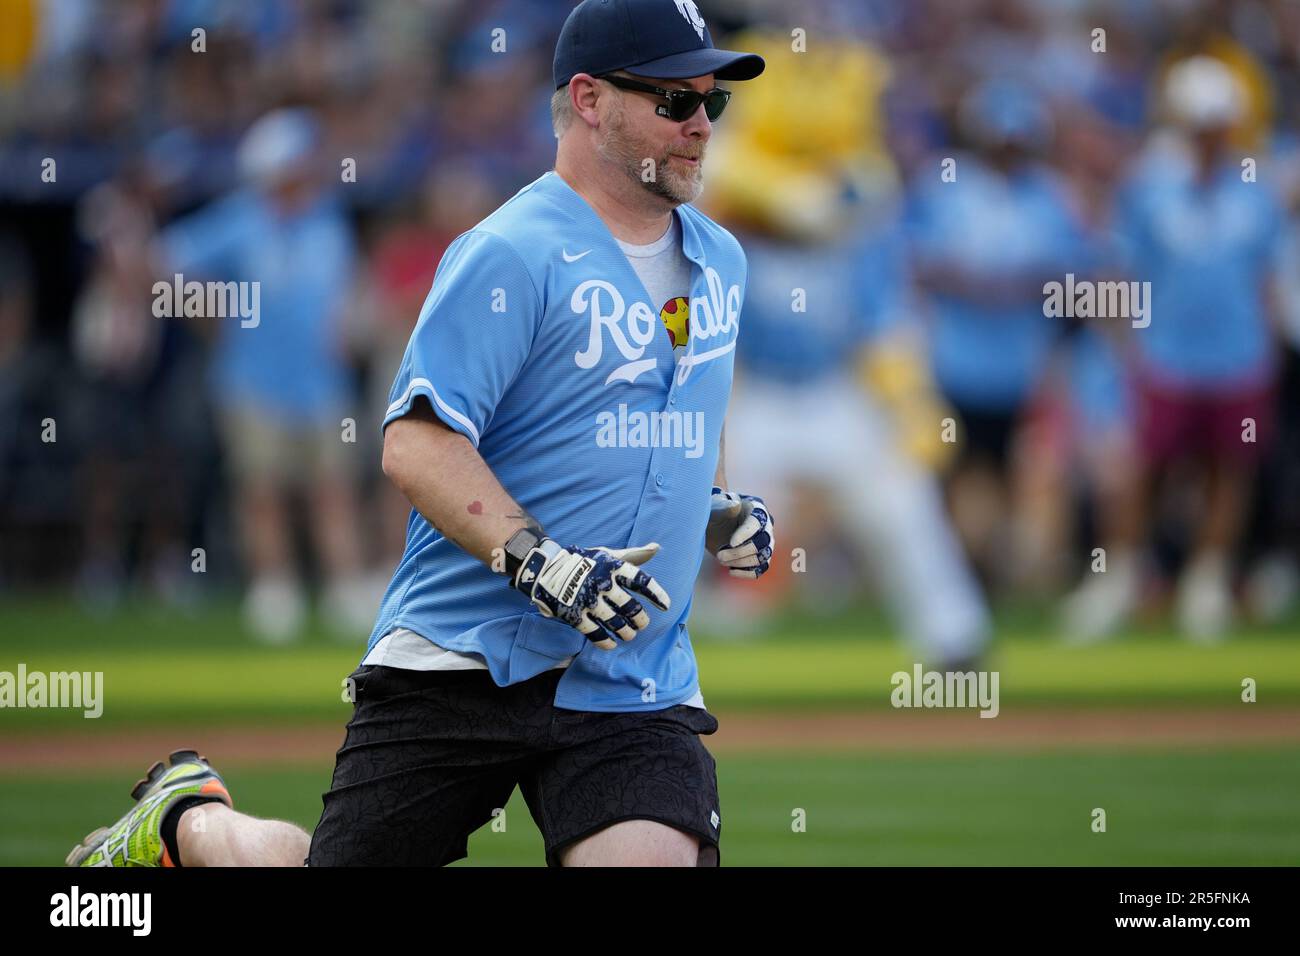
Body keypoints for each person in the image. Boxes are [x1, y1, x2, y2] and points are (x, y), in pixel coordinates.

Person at [68, 0, 769, 869]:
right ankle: (188, 826)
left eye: (713, 103)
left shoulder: (721, 259)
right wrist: (536, 559)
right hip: (461, 652)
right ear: (589, 99)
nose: (702, 125)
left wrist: (716, 503)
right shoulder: (508, 251)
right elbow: (416, 443)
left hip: (627, 671)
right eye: (675, 101)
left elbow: (682, 405)